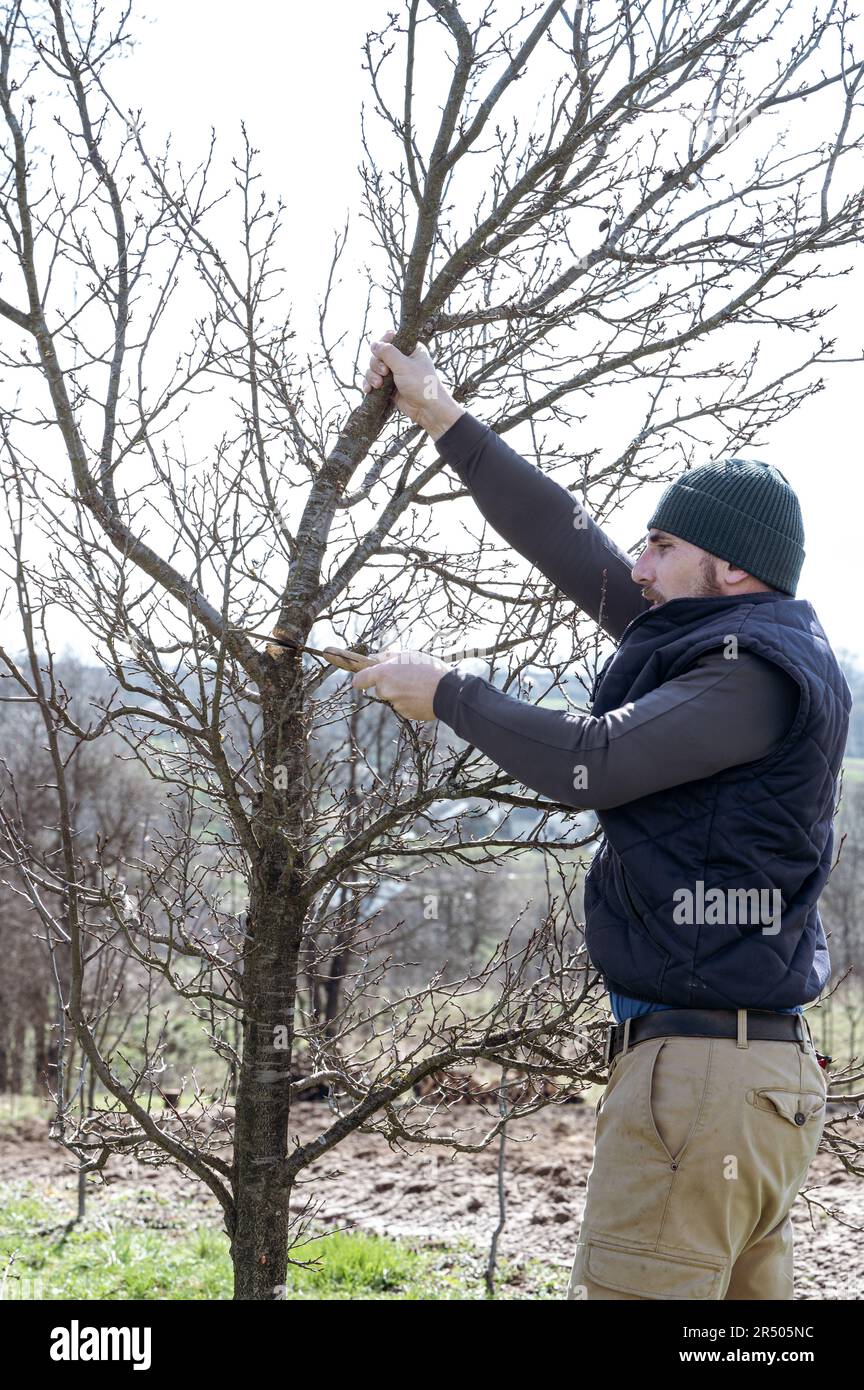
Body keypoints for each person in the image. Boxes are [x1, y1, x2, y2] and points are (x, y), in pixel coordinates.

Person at [356, 331, 851, 1300]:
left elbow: (594, 762)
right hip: (745, 1090)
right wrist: (440, 414)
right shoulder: (720, 638)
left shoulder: (750, 679)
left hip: (702, 1090)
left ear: (736, 571)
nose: (640, 562)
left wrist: (451, 692)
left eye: (663, 545)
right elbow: (568, 538)